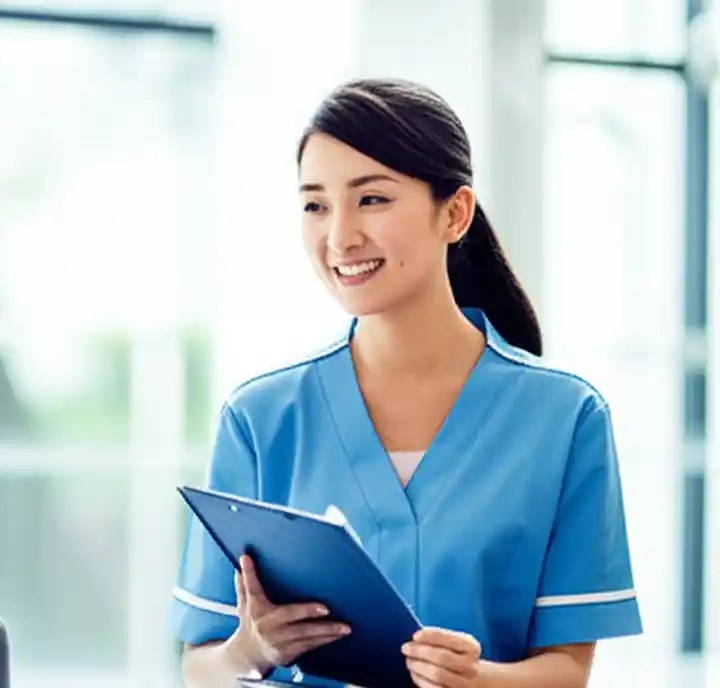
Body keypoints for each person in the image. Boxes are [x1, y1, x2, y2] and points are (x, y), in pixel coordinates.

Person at [175, 79, 641, 688]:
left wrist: (474, 681)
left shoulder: (565, 417)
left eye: (371, 200)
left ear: (455, 213)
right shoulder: (260, 418)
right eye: (315, 205)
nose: (340, 237)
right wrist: (252, 649)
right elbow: (198, 669)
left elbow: (567, 670)